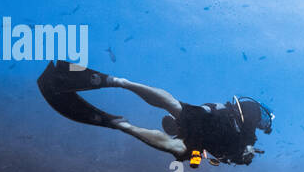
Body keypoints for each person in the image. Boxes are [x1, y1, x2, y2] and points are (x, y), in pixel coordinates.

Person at [37, 60, 273, 165]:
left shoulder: (242, 124)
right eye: (266, 120)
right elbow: (249, 130)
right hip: (212, 125)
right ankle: (121, 122)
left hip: (206, 131)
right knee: (178, 132)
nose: (264, 124)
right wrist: (249, 148)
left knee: (179, 130)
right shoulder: (251, 112)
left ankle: (118, 84)